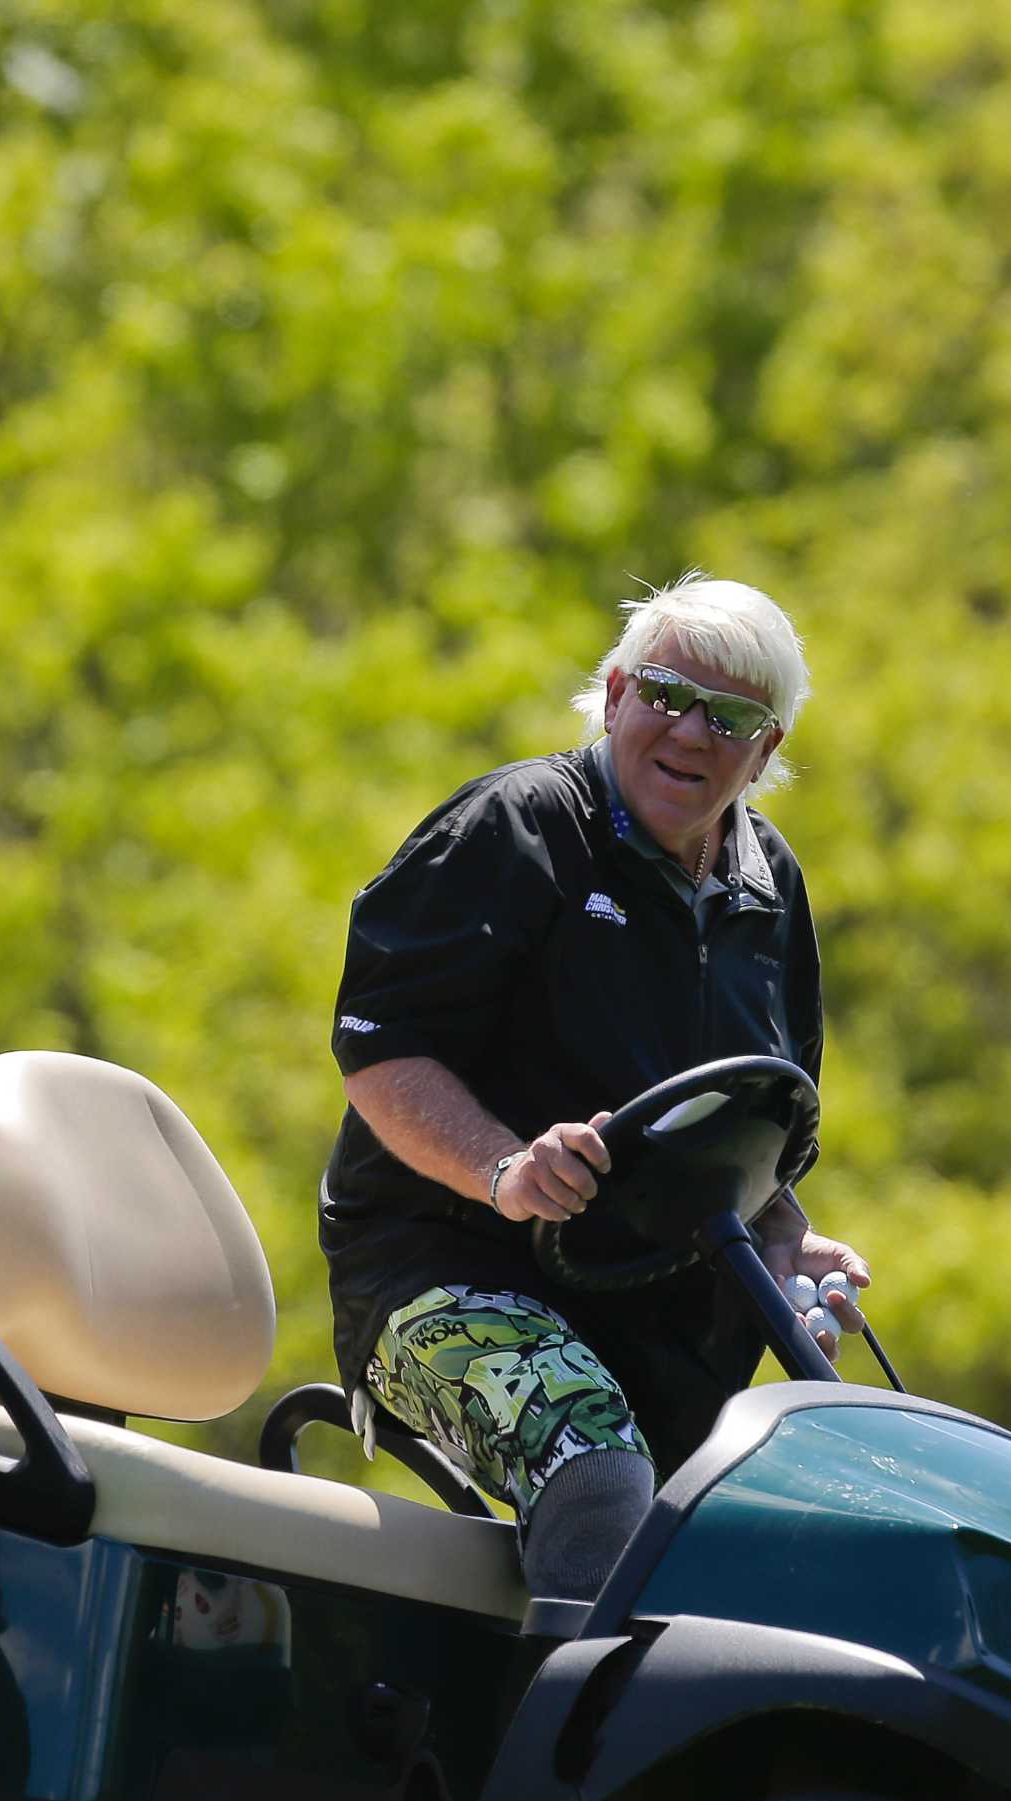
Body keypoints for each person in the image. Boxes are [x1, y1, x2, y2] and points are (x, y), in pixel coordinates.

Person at [319, 574, 870, 1602]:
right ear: (615, 693)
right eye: (665, 693)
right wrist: (504, 1169)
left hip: (659, 1319)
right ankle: (579, 1755)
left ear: (769, 748)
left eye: (734, 716)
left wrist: (791, 1240)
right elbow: (381, 1053)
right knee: (600, 1465)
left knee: (821, 1529)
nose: (692, 731)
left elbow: (755, 1145)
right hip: (443, 1275)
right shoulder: (517, 825)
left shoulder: (770, 889)